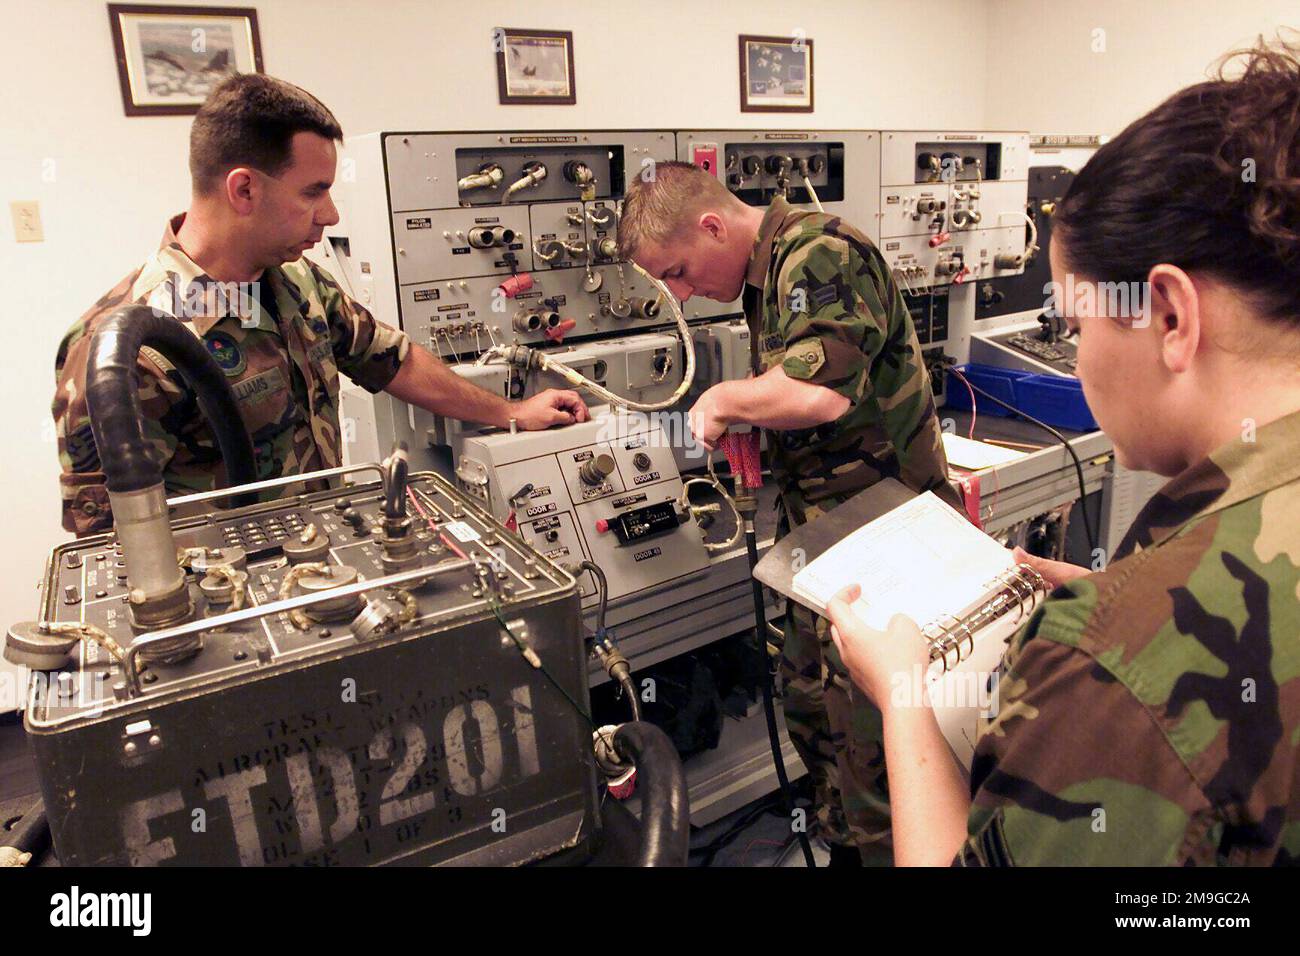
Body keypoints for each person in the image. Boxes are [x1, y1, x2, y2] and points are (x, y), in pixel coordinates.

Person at [826, 39, 1300, 866]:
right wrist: (1126, 601)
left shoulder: (1111, 666)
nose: (1076, 357)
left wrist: (904, 696)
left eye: (1076, 326)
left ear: (1170, 317)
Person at [53, 73, 587, 535]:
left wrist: (510, 411)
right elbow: (110, 550)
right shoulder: (126, 351)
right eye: (313, 192)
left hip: (320, 571)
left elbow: (390, 358)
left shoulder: (296, 279)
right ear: (243, 190)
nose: (330, 215)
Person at [618, 161, 959, 865]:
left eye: (678, 271)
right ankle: (847, 847)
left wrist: (724, 402)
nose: (681, 294)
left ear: (713, 226)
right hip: (830, 541)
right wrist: (759, 420)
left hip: (888, 546)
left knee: (878, 744)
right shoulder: (768, 278)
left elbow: (821, 394)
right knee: (812, 705)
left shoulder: (818, 253)